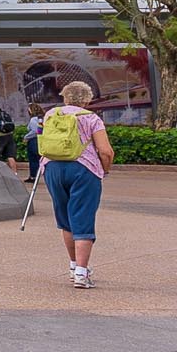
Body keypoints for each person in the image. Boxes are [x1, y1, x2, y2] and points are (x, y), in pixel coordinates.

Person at [38, 79, 117, 288]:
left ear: (65, 97)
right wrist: (105, 169)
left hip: (52, 168)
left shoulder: (50, 115)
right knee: (82, 217)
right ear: (88, 99)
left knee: (65, 219)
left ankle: (74, 266)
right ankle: (82, 273)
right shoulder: (91, 118)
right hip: (83, 169)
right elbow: (105, 151)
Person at [23, 105, 45, 185]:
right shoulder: (43, 118)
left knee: (33, 159)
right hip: (43, 139)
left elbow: (35, 131)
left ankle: (33, 176)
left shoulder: (33, 119)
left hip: (34, 141)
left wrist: (26, 137)